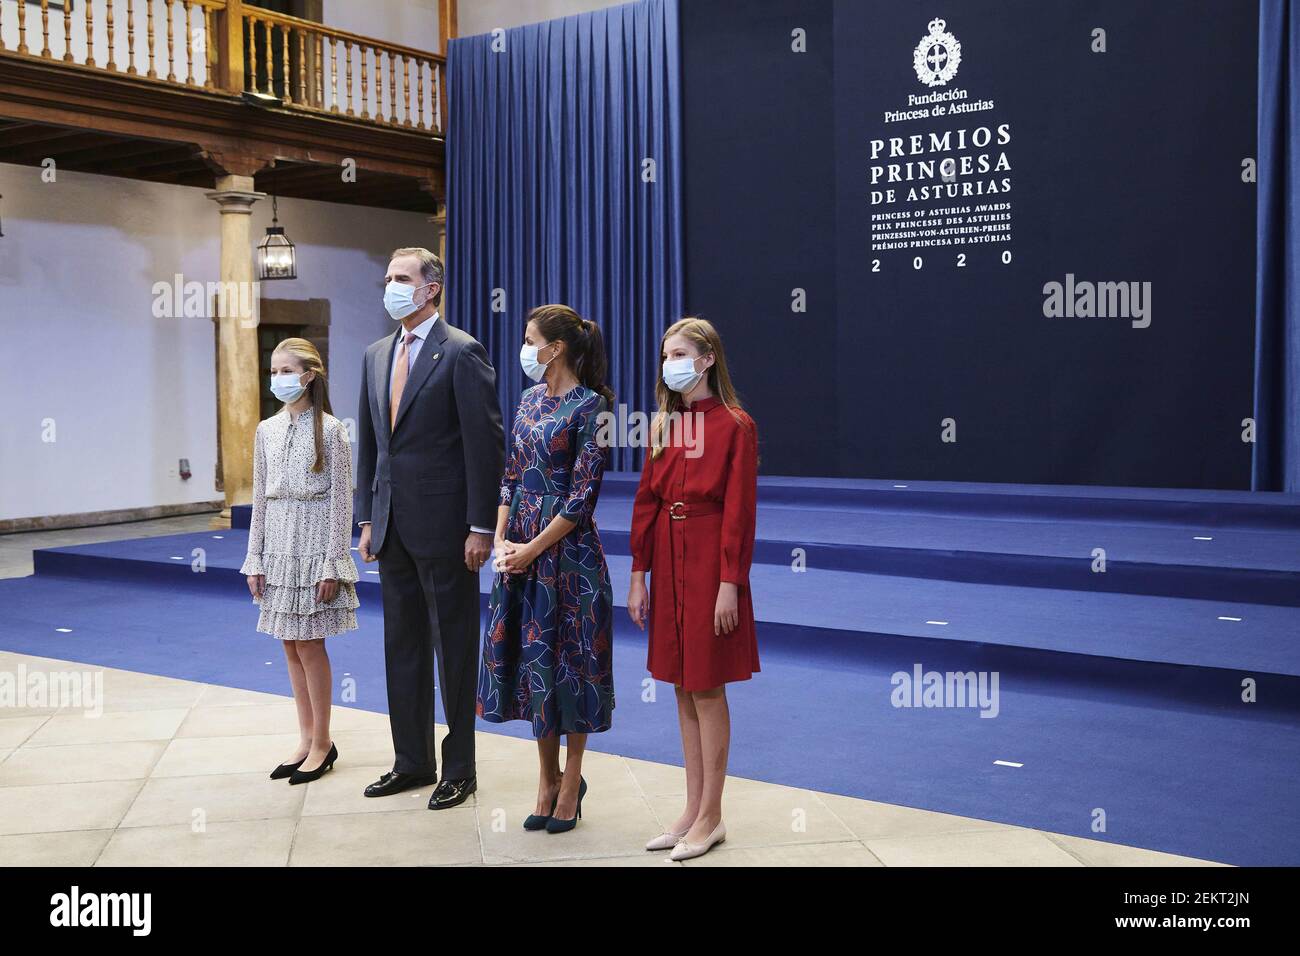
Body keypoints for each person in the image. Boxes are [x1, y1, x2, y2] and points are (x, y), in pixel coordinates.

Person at [355, 247, 505, 810]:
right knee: (404, 648)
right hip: (391, 526)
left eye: (402, 278)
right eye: (387, 277)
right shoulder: (374, 354)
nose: (391, 286)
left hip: (448, 529)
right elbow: (372, 444)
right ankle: (411, 761)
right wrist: (366, 519)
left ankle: (459, 769)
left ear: (431, 289)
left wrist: (479, 526)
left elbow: (483, 445)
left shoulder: (462, 352)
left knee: (455, 651)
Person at [477, 304, 615, 833]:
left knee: (571, 667)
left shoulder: (595, 408)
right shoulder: (528, 401)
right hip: (520, 551)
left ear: (554, 349)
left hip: (568, 557)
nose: (526, 348)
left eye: (530, 339)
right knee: (533, 664)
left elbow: (582, 499)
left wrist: (531, 547)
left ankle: (573, 777)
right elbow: (510, 475)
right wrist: (501, 537)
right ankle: (546, 776)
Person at [627, 317, 760, 861]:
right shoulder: (664, 425)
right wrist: (638, 574)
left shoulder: (735, 424)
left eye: (679, 353)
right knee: (681, 685)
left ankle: (713, 814)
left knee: (707, 686)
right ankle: (690, 808)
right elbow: (645, 500)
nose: (669, 364)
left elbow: (739, 511)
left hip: (710, 561)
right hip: (668, 554)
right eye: (664, 355)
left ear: (706, 360)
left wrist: (730, 581)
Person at [241, 337, 359, 785]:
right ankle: (305, 737)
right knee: (288, 644)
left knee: (310, 644)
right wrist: (255, 559)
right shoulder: (265, 430)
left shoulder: (331, 430)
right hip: (277, 547)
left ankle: (324, 742)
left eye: (286, 371)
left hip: (314, 544)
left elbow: (339, 502)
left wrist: (333, 561)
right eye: (273, 372)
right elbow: (259, 499)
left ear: (309, 376)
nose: (278, 379)